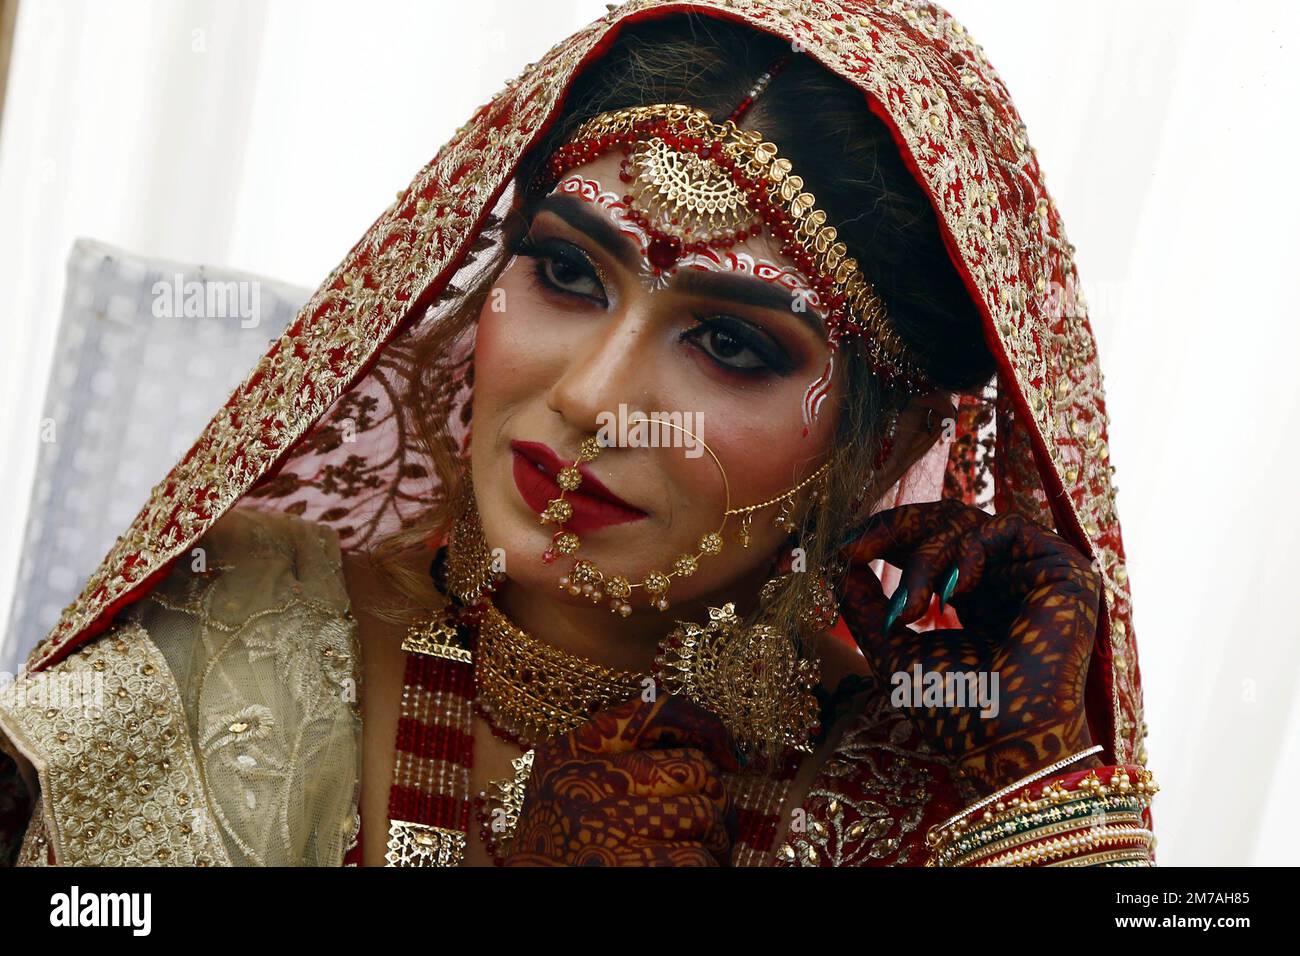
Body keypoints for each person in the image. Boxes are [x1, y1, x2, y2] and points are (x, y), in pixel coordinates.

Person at [0, 0, 1155, 868]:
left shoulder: (920, 780)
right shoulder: (236, 631)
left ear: (887, 428)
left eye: (733, 346)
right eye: (563, 272)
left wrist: (1046, 790)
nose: (597, 396)